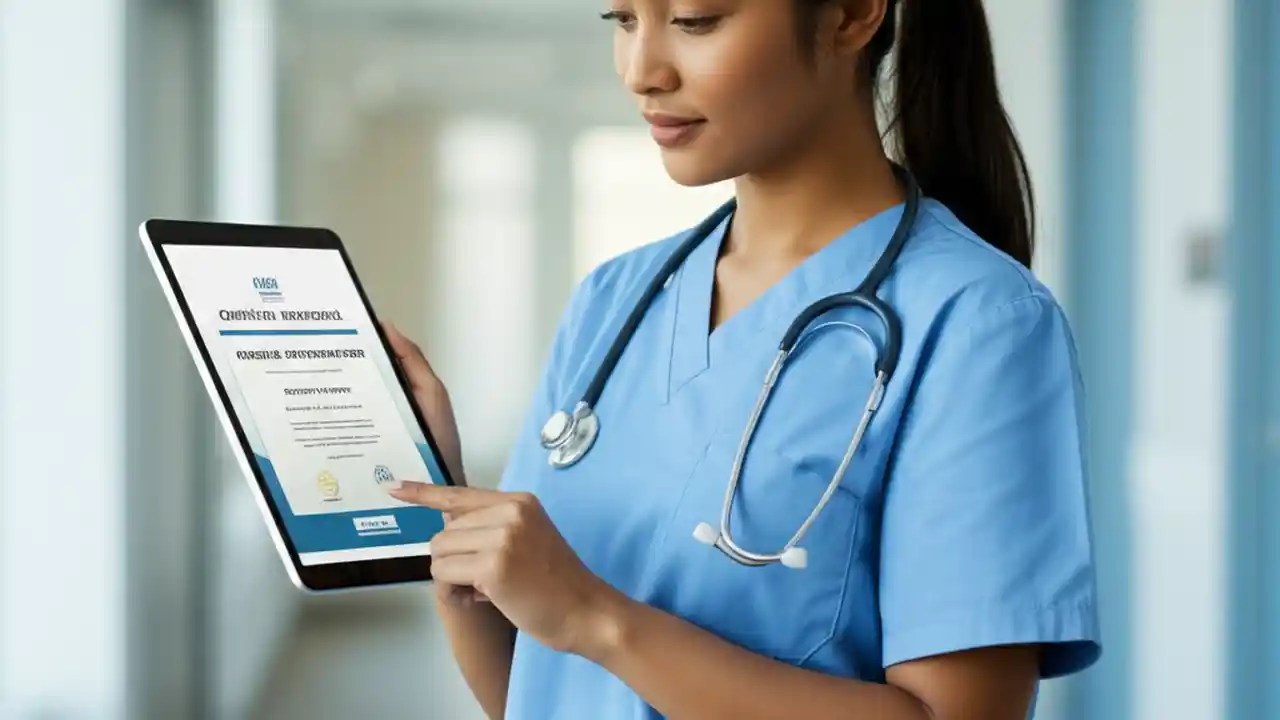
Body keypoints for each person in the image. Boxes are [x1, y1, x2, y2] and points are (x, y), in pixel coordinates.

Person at [382, 0, 1101, 717]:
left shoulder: (978, 323)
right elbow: (537, 694)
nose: (643, 72)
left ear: (851, 15)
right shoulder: (613, 300)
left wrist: (597, 621)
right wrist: (449, 524)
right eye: (623, 20)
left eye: (695, 21)